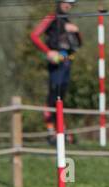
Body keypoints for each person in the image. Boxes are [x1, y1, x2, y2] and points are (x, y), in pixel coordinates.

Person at [30, 0, 82, 143]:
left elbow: (79, 44)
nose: (68, 5)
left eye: (71, 3)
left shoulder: (68, 21)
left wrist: (77, 32)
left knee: (61, 98)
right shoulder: (51, 17)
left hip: (67, 62)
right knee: (53, 97)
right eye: (66, 2)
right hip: (56, 63)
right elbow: (34, 36)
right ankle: (51, 131)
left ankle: (62, 130)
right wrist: (48, 52)